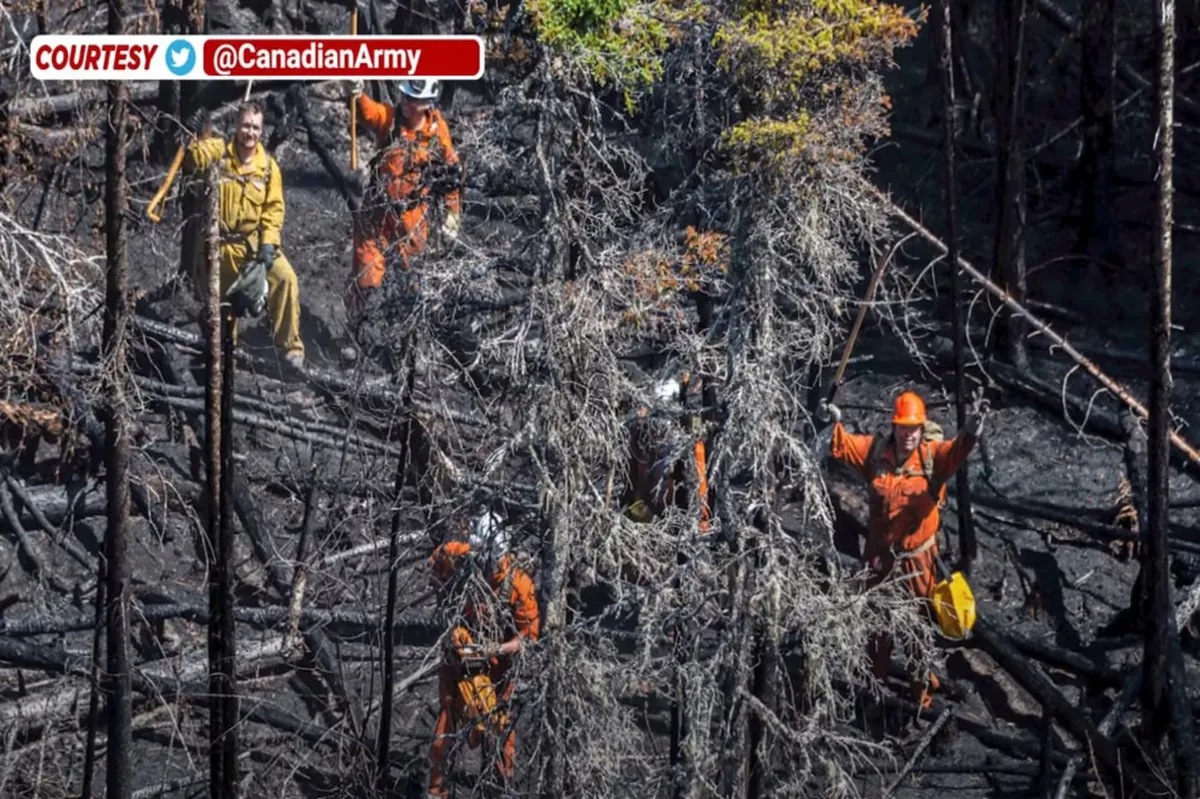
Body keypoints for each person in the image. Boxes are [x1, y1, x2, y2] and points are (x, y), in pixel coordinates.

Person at [820, 389, 982, 709]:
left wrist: (974, 426)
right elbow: (842, 444)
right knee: (878, 625)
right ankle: (875, 686)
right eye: (903, 427)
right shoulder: (875, 453)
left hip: (919, 560)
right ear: (894, 427)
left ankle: (919, 690)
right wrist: (831, 420)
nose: (908, 434)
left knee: (918, 627)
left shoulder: (935, 457)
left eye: (914, 428)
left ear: (922, 430)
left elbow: (959, 449)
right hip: (880, 559)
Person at [183, 102, 306, 370]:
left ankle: (290, 349)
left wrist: (268, 244)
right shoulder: (219, 152)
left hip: (253, 247)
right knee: (220, 316)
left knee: (285, 279)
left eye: (255, 127)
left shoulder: (269, 168)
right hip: (219, 249)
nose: (250, 132)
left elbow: (274, 209)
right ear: (236, 125)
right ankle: (224, 358)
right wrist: (197, 134)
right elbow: (193, 160)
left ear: (261, 131)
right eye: (245, 125)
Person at [427, 510, 539, 798]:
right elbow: (435, 563)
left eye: (493, 559)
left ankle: (498, 788)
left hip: (497, 667)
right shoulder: (460, 557)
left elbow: (529, 638)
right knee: (445, 728)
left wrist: (497, 649)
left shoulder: (519, 584)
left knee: (499, 731)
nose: (487, 564)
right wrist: (445, 601)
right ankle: (438, 790)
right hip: (459, 661)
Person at [344, 78, 463, 327]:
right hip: (376, 217)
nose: (406, 102)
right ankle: (355, 329)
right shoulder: (390, 120)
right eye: (405, 97)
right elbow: (368, 112)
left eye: (413, 99)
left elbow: (451, 175)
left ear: (426, 103)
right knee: (367, 279)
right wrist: (356, 93)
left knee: (412, 283)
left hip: (413, 220)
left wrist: (453, 213)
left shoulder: (437, 132)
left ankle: (405, 340)